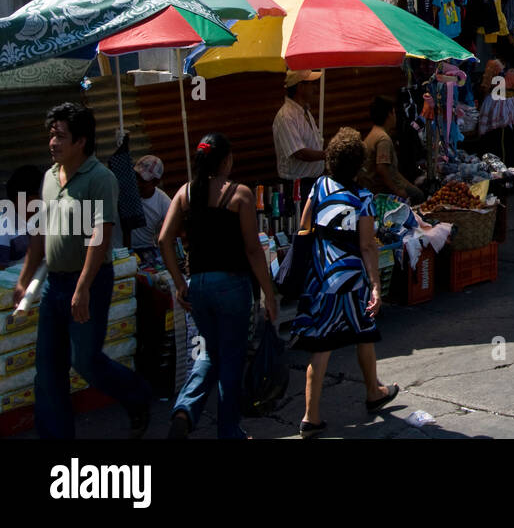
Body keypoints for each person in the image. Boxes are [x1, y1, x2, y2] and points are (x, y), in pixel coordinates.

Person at [14, 103, 152, 439]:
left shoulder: (100, 179)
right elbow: (40, 233)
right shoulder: (49, 177)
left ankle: (137, 395)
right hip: (53, 286)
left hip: (90, 281)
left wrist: (83, 287)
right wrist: (23, 279)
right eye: (51, 134)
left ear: (81, 141)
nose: (52, 142)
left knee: (86, 362)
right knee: (48, 369)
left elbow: (100, 234)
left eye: (60, 135)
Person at [159, 134, 278, 440]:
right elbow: (253, 251)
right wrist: (269, 294)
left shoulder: (185, 193)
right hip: (232, 287)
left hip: (198, 285)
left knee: (210, 353)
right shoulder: (239, 195)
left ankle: (184, 411)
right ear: (226, 160)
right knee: (231, 358)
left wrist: (178, 283)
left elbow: (163, 240)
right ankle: (228, 431)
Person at [291, 128, 400, 438]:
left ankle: (313, 416)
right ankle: (371, 393)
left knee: (324, 346)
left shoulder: (319, 187)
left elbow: (304, 228)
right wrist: (376, 285)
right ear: (358, 165)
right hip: (351, 280)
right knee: (364, 334)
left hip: (322, 278)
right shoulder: (362, 199)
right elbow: (367, 246)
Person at [272, 69, 325, 216]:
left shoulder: (304, 112)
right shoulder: (286, 116)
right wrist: (327, 155)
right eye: (311, 84)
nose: (315, 88)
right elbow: (299, 153)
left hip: (311, 183)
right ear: (300, 87)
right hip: (297, 187)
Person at [362, 97, 424, 202]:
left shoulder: (373, 134)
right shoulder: (383, 139)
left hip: (380, 187)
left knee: (417, 192)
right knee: (419, 197)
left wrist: (409, 185)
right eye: (394, 113)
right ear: (389, 115)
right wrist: (398, 191)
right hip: (380, 191)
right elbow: (382, 169)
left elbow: (393, 172)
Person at [127, 155, 170, 257]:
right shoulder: (125, 193)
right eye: (136, 177)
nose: (137, 183)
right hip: (121, 250)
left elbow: (176, 228)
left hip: (146, 250)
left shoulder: (163, 201)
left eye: (142, 180)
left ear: (156, 182)